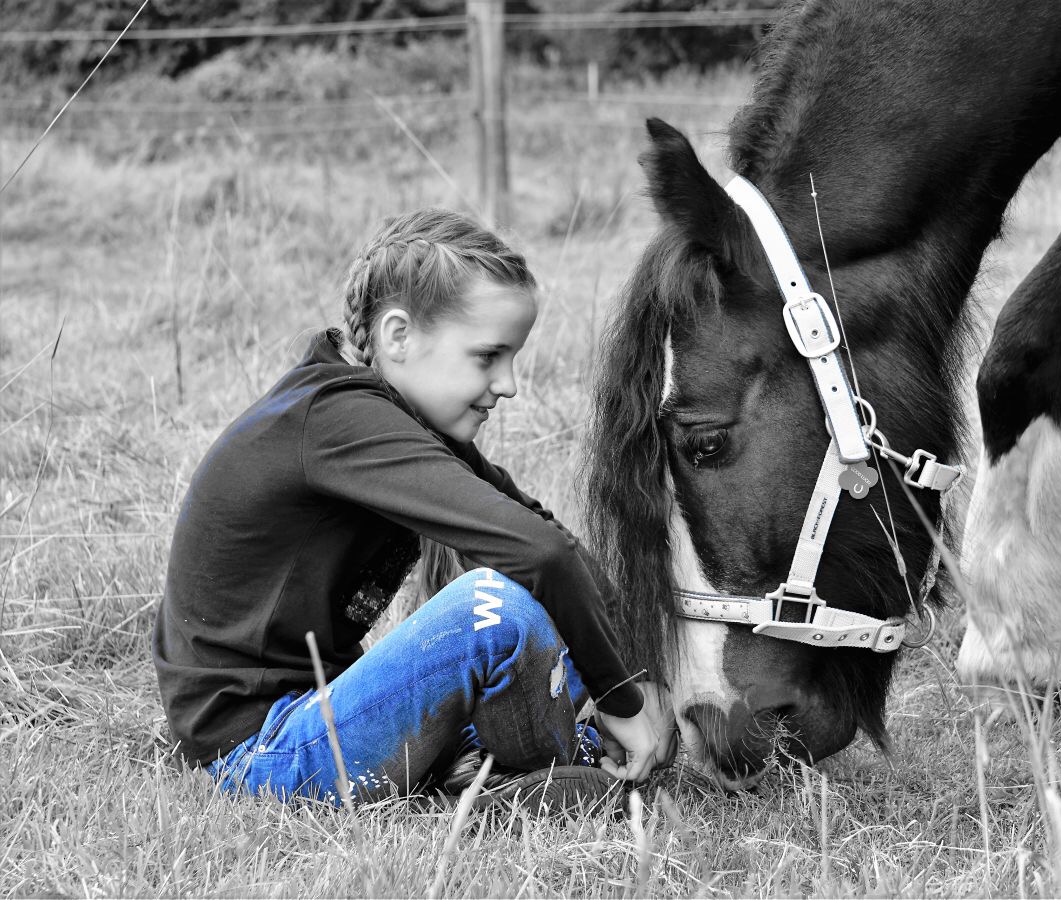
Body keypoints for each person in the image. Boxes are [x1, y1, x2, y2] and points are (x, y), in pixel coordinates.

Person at [153, 208, 675, 808]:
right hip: (258, 751)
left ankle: (508, 770)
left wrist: (637, 672)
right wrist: (621, 700)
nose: (508, 384)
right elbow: (542, 554)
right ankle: (559, 775)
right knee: (494, 610)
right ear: (398, 336)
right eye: (488, 356)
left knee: (551, 601)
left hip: (329, 707)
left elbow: (549, 538)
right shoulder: (335, 419)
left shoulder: (396, 419)